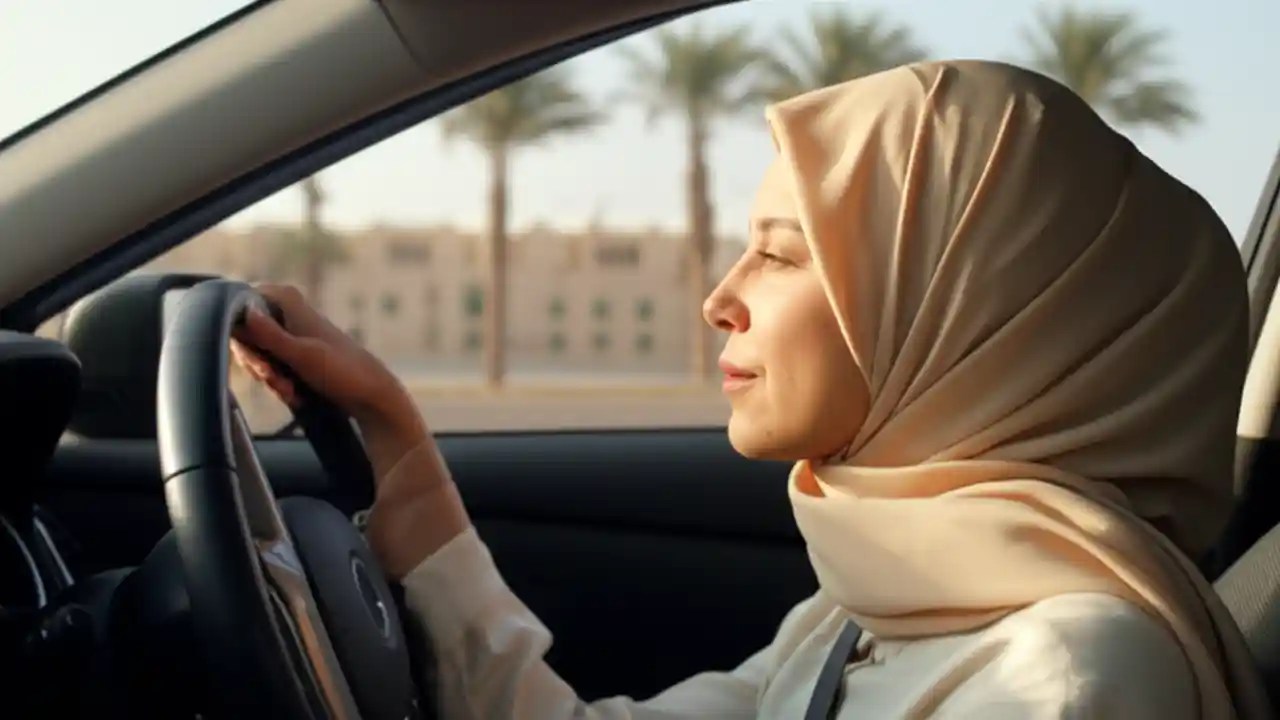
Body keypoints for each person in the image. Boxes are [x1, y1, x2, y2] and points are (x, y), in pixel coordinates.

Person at [231, 60, 1272, 719]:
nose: (718, 300)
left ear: (970, 310)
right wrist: (403, 454)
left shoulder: (1073, 676)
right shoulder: (866, 612)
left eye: (780, 256)